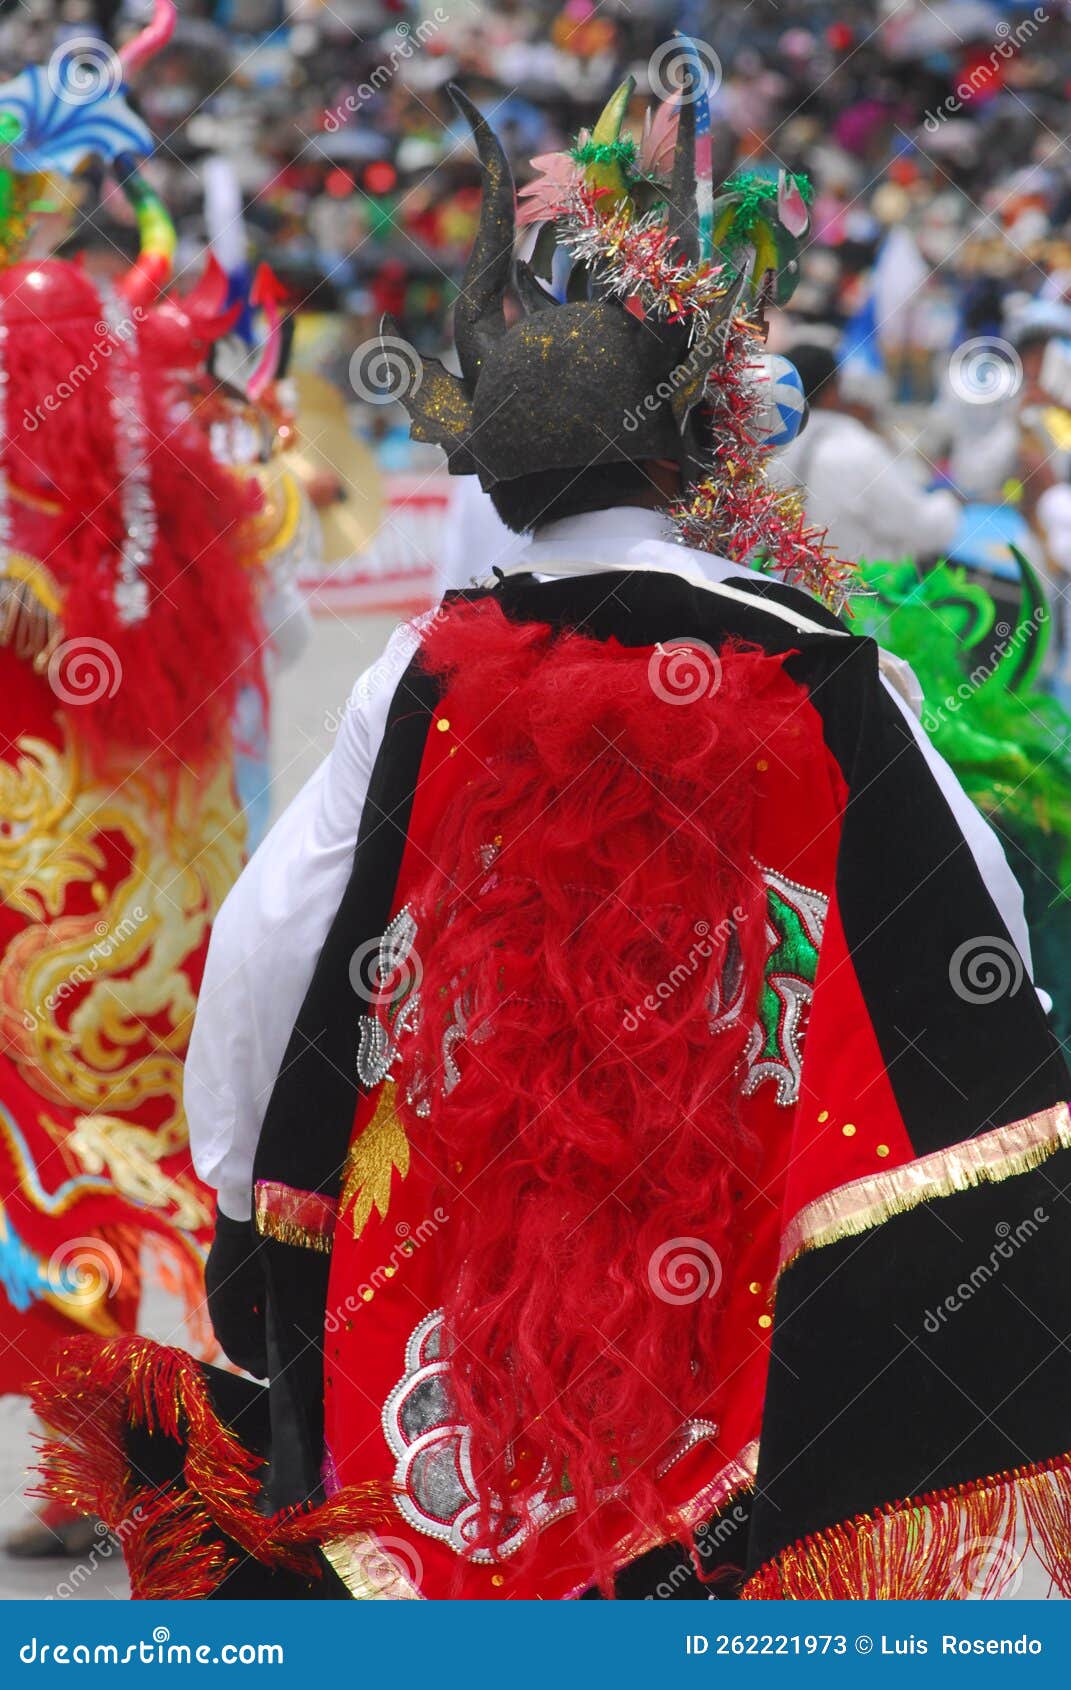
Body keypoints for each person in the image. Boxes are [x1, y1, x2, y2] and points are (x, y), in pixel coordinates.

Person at [35, 65, 1071, 1602]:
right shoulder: (825, 666)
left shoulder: (417, 669)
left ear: (501, 487)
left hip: (470, 1247)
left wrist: (254, 1199)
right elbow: (966, 928)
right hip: (735, 1252)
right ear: (685, 460)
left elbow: (269, 945)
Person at [0, 6, 289, 1558]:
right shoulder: (126, 341)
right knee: (127, 1128)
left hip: (56, 808)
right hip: (147, 802)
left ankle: (115, 1462)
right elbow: (238, 552)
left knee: (68, 1129)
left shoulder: (53, 331)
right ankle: (128, 1463)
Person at [776, 342, 960, 564]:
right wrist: (951, 502)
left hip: (776, 588)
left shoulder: (770, 446)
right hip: (853, 595)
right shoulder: (858, 450)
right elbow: (923, 528)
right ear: (834, 390)